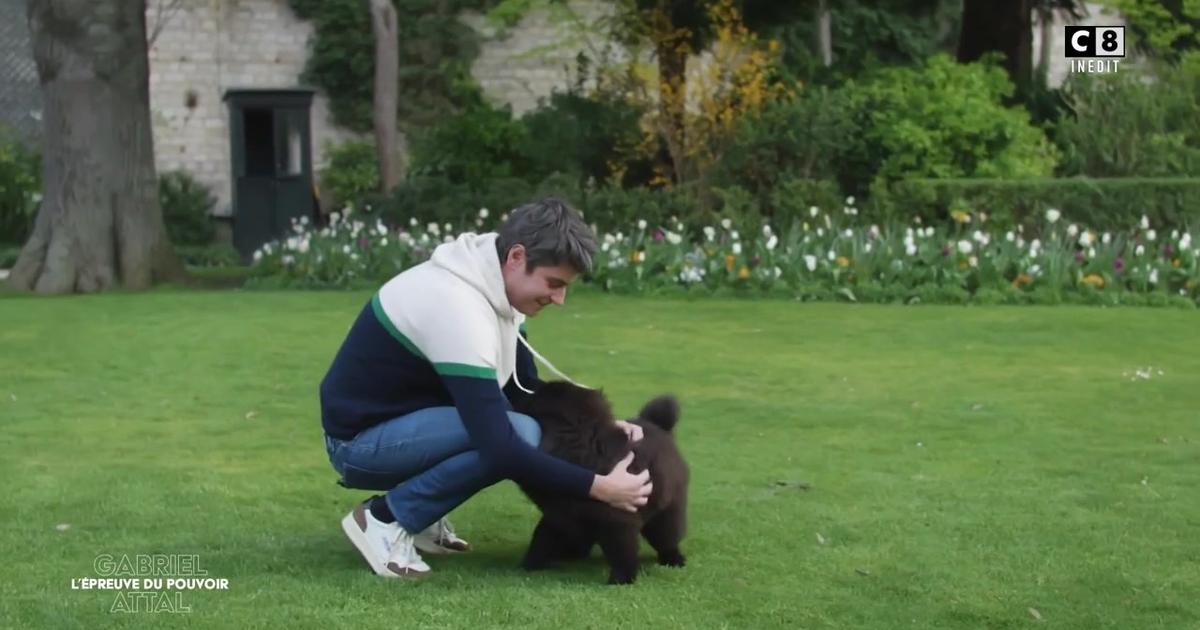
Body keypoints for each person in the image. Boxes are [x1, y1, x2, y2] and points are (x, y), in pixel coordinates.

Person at [319, 198, 653, 578]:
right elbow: (500, 444)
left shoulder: (493, 285)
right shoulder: (458, 307)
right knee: (516, 434)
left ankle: (421, 518)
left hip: (404, 424)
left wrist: (601, 427)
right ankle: (383, 519)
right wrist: (600, 487)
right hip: (357, 445)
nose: (560, 299)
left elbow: (523, 392)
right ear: (516, 256)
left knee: (517, 424)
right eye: (554, 283)